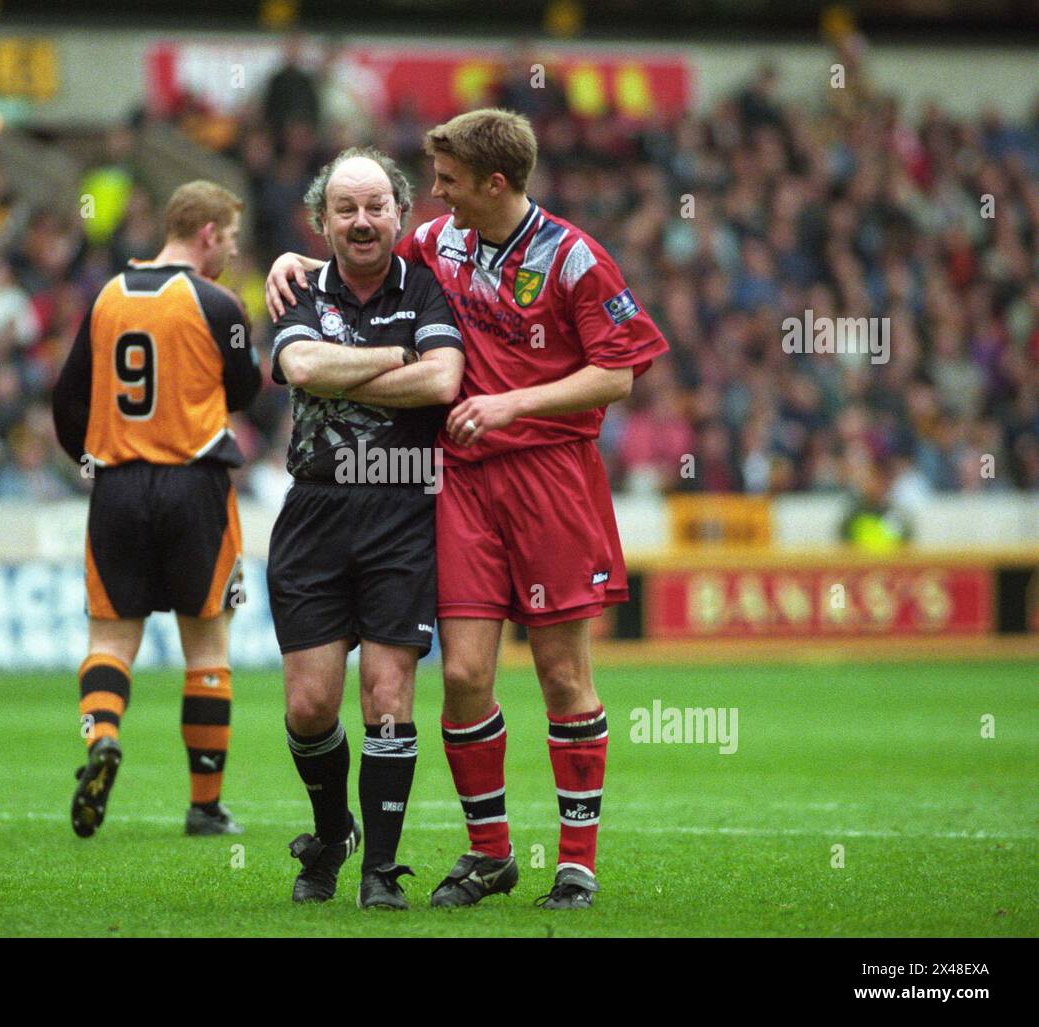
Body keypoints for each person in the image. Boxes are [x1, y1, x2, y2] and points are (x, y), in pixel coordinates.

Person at [266, 109, 669, 909]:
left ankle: (577, 862)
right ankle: (491, 852)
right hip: (460, 483)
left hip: (550, 474)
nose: (432, 195)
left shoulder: (574, 257)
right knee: (460, 673)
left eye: (446, 181)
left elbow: (618, 374)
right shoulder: (440, 242)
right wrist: (294, 259)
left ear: (494, 183)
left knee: (561, 673)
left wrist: (515, 405)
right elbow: (360, 261)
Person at [269, 148, 463, 909]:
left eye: (376, 205)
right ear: (321, 221)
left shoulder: (427, 288)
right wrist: (394, 358)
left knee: (389, 692)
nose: (361, 221)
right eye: (345, 208)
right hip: (315, 511)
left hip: (402, 507)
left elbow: (444, 381)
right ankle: (332, 832)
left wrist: (342, 360)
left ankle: (380, 869)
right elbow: (301, 371)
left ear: (399, 214)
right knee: (310, 706)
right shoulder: (294, 286)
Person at [52, 180, 261, 840]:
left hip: (116, 486)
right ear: (206, 234)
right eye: (228, 238)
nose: (230, 249)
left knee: (112, 638)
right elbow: (248, 390)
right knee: (206, 643)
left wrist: (94, 456)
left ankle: (103, 738)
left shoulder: (106, 297)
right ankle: (204, 805)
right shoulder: (217, 302)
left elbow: (66, 400)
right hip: (194, 484)